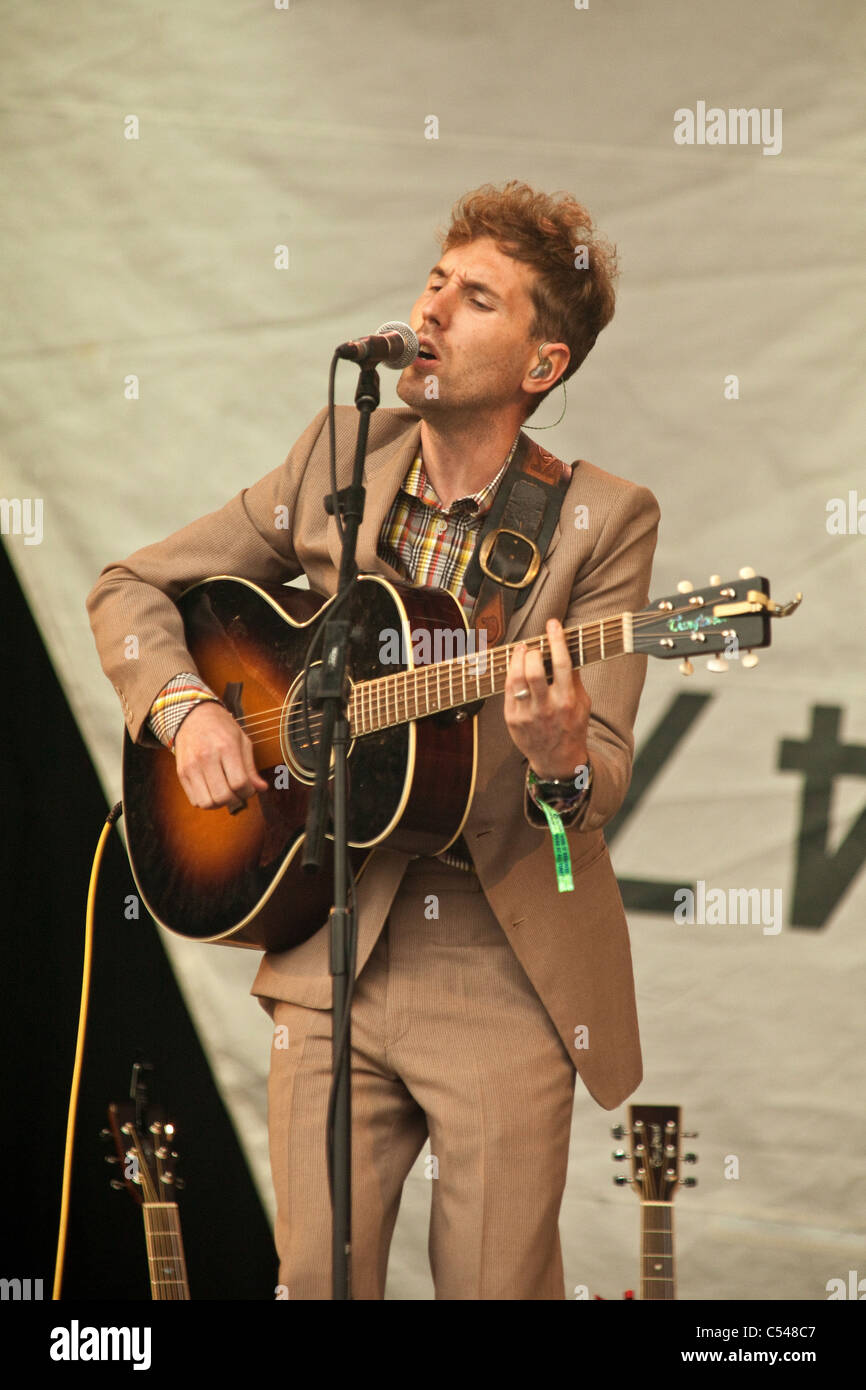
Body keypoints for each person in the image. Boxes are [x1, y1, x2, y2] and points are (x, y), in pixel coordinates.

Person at [87, 180, 660, 1300]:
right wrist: (186, 708)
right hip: (325, 937)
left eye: (476, 298)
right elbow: (130, 586)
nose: (432, 311)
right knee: (313, 1284)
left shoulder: (605, 516)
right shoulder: (339, 451)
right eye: (434, 283)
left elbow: (599, 775)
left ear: (540, 365)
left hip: (499, 960)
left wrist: (555, 757)